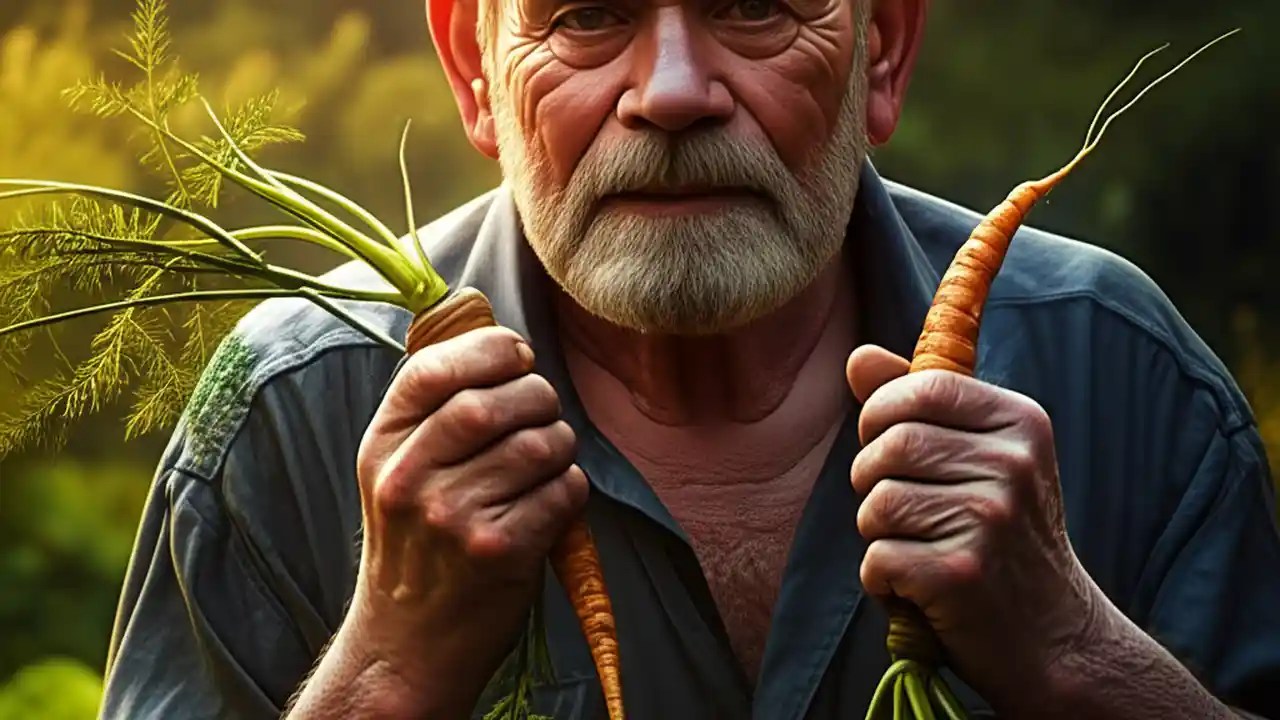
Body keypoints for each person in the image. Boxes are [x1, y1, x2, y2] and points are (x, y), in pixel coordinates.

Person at [98, 0, 1280, 716]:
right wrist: (388, 672)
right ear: (473, 67)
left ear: (879, 52)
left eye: (754, 6)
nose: (669, 94)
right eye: (586, 16)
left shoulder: (1120, 374)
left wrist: (1071, 652)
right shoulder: (294, 407)